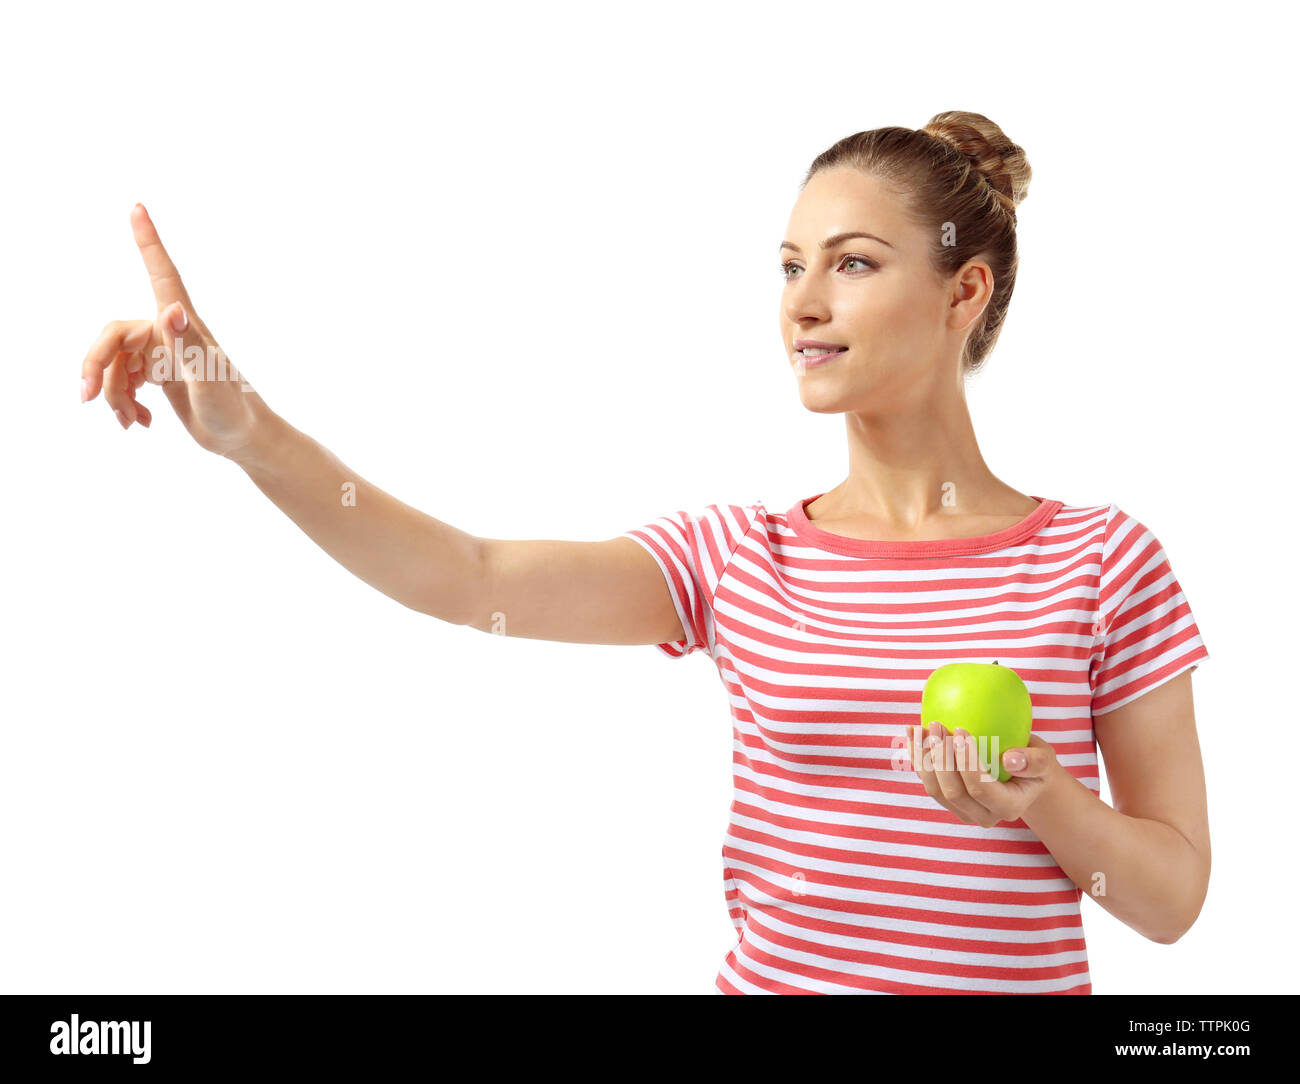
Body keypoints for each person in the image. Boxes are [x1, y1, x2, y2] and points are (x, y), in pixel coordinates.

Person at [79, 111, 1210, 995]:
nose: (804, 305)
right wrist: (249, 434)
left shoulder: (1100, 561)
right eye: (787, 266)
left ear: (964, 288)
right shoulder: (739, 557)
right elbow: (469, 579)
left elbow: (1169, 900)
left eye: (853, 264)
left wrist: (1047, 800)